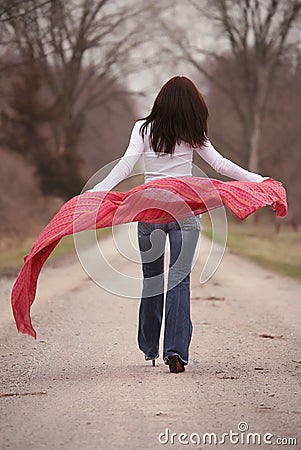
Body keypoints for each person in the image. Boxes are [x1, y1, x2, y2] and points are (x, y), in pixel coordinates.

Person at [89, 76, 265, 374]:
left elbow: (127, 163)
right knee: (179, 280)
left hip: (149, 211)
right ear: (191, 105)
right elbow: (220, 165)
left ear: (160, 101)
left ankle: (149, 347)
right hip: (184, 212)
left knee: (152, 280)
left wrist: (100, 189)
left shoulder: (143, 128)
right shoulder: (192, 131)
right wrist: (257, 180)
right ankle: (176, 353)